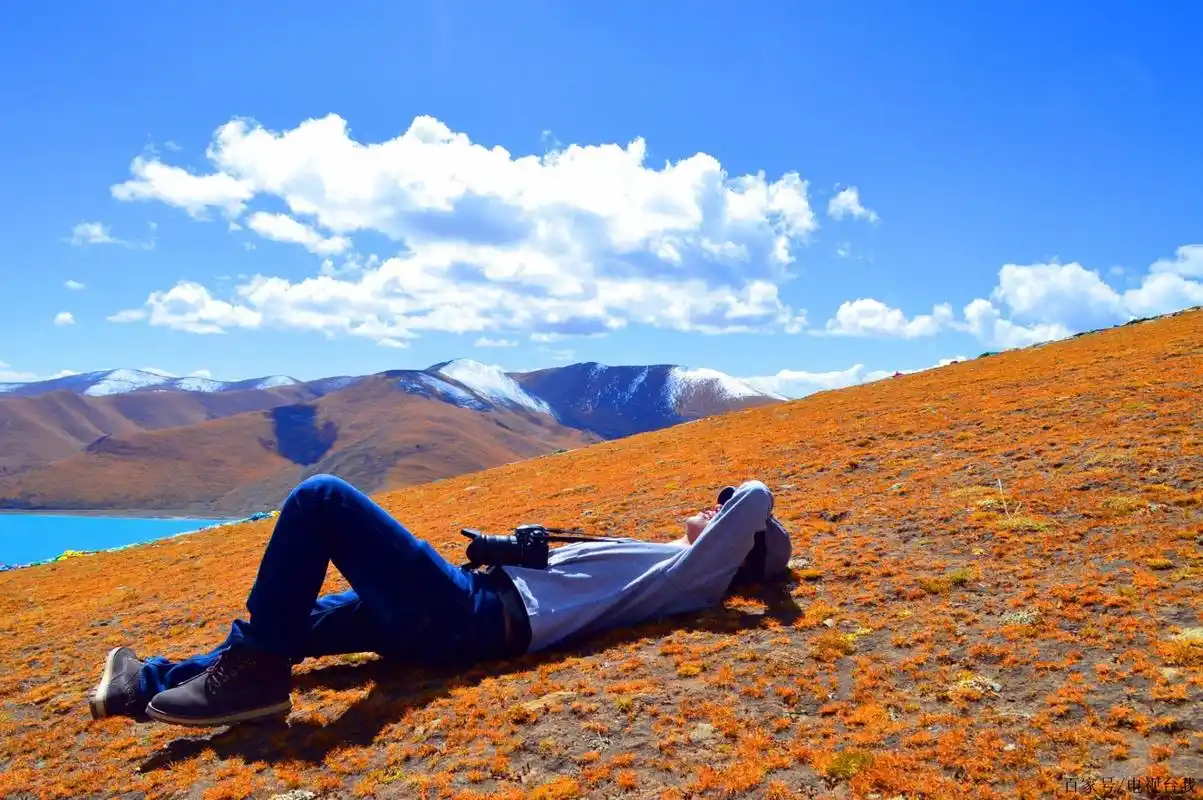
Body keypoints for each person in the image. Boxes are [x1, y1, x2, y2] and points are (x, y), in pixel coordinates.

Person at [88, 473, 792, 728]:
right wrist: (511, 552)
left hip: (473, 620)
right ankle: (144, 685)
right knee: (298, 619)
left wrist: (745, 510)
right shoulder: (661, 566)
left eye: (722, 514)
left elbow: (754, 495)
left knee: (321, 499)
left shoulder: (695, 577)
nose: (712, 507)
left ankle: (253, 681)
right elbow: (558, 582)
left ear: (741, 552)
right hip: (476, 605)